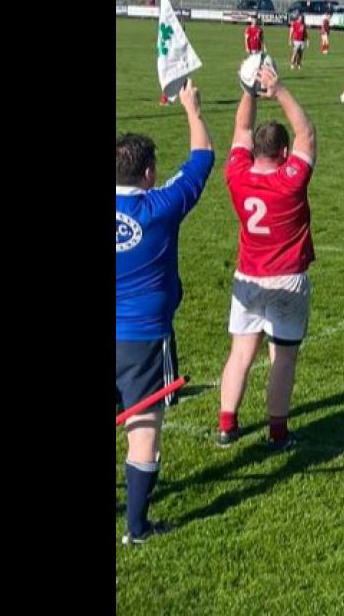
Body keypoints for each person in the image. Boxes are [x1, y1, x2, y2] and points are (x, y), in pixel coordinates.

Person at [116, 79, 214, 545]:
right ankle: (136, 529)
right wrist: (192, 108)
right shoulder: (161, 206)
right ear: (151, 173)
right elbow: (202, 160)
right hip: (145, 339)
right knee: (144, 431)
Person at [216, 64, 317, 452]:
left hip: (247, 277)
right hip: (287, 279)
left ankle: (227, 425)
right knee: (283, 359)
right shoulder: (291, 179)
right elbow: (307, 132)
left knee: (240, 352)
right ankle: (277, 432)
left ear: (255, 150)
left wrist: (249, 89)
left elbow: (241, 131)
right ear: (284, 152)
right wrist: (279, 89)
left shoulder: (236, 173)